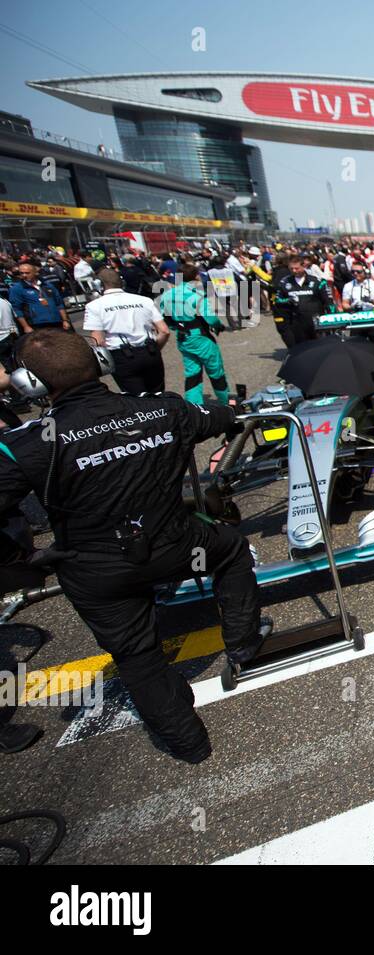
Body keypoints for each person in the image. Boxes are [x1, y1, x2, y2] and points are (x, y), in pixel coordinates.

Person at [0, 331, 265, 762]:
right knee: (231, 548)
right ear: (101, 360)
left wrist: (21, 557)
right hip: (177, 545)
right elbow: (218, 419)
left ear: (33, 385)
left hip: (97, 570)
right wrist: (230, 411)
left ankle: (189, 745)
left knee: (137, 655)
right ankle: (243, 642)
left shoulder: (25, 444)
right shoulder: (162, 408)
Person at [82, 268, 171, 395]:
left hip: (121, 357)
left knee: (136, 400)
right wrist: (156, 349)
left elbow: (98, 341)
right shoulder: (144, 300)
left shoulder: (94, 306)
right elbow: (164, 331)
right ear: (121, 283)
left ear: (100, 285)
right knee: (158, 395)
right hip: (150, 351)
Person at [157, 264, 230, 405]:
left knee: (192, 374)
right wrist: (218, 326)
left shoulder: (166, 295)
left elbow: (164, 317)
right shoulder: (196, 294)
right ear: (195, 276)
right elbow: (210, 318)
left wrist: (176, 326)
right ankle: (225, 402)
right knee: (216, 371)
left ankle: (194, 406)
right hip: (201, 337)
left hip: (183, 338)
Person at [274, 255, 332, 348]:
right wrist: (288, 300)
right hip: (296, 323)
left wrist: (331, 318)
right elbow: (277, 300)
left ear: (303, 266)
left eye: (296, 268)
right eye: (291, 268)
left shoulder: (317, 281)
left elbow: (328, 302)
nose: (294, 271)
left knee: (320, 347)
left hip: (316, 322)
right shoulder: (284, 282)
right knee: (301, 348)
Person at [8, 262, 71, 334]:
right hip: (37, 324)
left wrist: (65, 320)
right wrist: (25, 326)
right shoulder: (17, 288)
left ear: (35, 273)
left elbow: (59, 303)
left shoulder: (47, 285)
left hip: (56, 321)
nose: (24, 275)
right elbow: (16, 309)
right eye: (21, 273)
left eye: (27, 273)